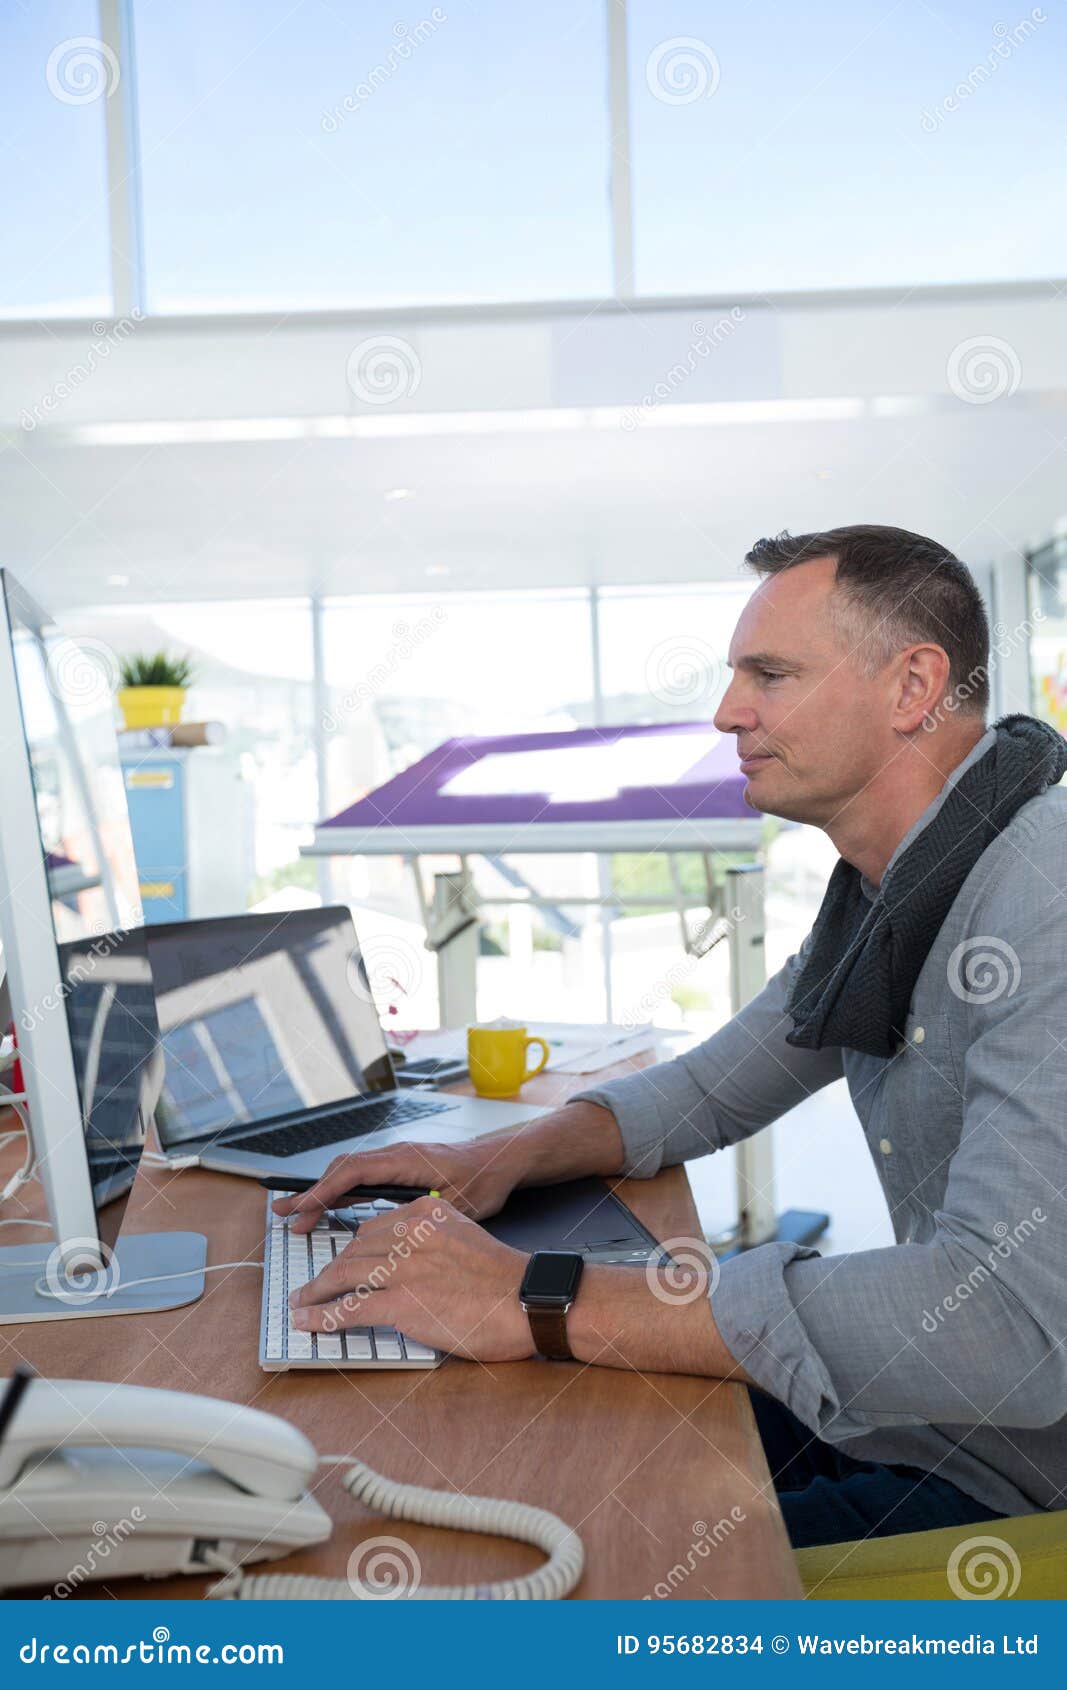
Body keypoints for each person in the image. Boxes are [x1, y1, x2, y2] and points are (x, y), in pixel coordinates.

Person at [275, 525, 1067, 1549]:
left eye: (768, 675)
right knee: (553, 1456)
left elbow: (1002, 1324)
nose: (726, 711)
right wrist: (491, 1158)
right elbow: (712, 1087)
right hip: (923, 1424)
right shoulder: (898, 891)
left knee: (588, 1568)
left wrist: (532, 1292)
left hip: (1013, 1490)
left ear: (912, 686)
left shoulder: (1038, 891)